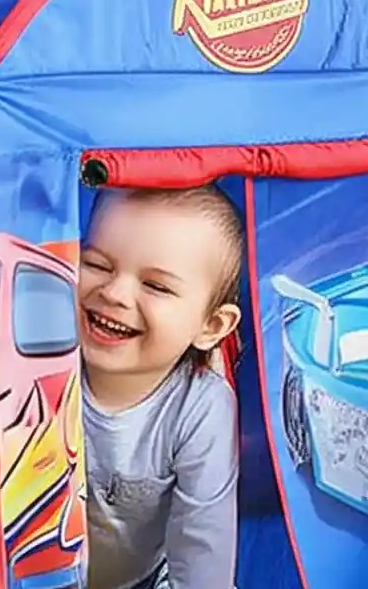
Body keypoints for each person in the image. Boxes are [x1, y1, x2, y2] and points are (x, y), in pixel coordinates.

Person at [78, 184, 243, 589]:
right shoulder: (38, 360)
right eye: (97, 264)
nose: (114, 293)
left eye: (156, 286)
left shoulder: (201, 407)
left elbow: (203, 550)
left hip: (144, 580)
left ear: (211, 325)